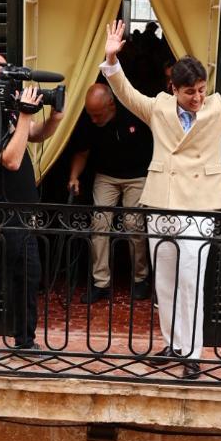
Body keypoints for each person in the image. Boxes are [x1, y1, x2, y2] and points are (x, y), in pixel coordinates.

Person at [100, 18, 221, 378]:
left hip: (199, 207)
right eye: (190, 92)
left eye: (202, 90)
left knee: (192, 279)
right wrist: (112, 62)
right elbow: (125, 94)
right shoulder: (157, 108)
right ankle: (173, 343)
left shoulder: (216, 109)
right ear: (173, 87)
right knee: (165, 281)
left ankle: (192, 352)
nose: (198, 98)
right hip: (161, 203)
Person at [0, 50, 63, 351]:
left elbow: (34, 134)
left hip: (20, 210)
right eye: (1, 71)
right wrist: (26, 112)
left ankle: (24, 341)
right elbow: (12, 159)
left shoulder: (6, 108)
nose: (7, 76)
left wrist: (55, 117)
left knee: (28, 276)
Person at [67, 80, 153, 303]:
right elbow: (82, 152)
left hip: (137, 175)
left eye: (97, 114)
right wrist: (74, 176)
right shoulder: (89, 120)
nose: (93, 119)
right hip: (106, 175)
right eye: (90, 114)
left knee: (134, 224)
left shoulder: (134, 111)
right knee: (100, 223)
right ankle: (101, 283)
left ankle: (140, 279)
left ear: (111, 105)